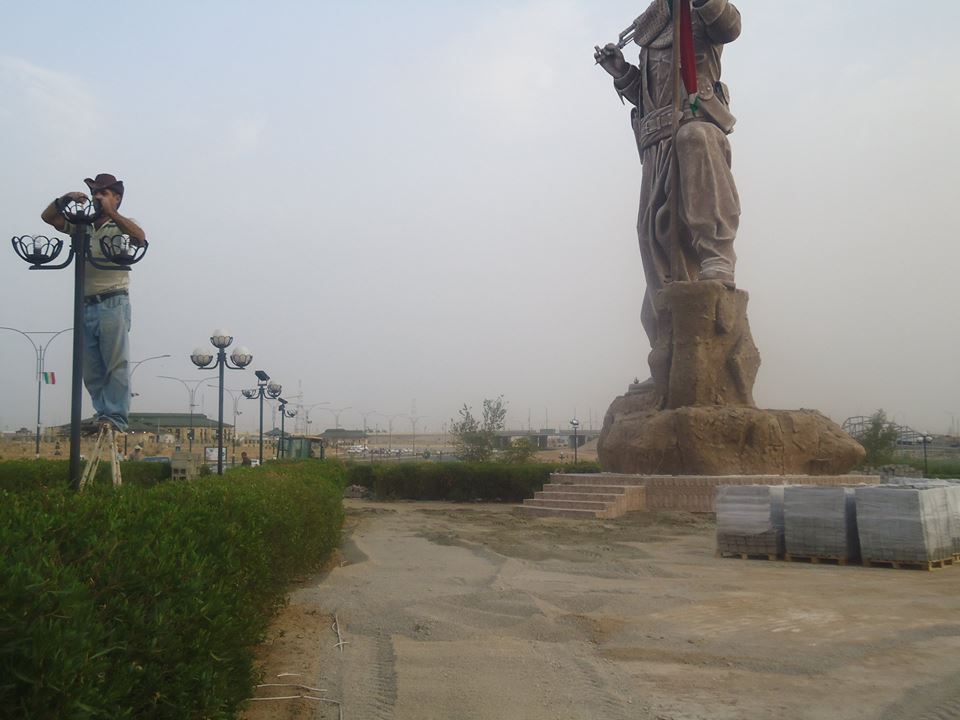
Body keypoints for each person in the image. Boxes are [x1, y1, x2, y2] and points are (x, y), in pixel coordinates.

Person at [596, 0, 741, 349]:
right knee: (655, 239)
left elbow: (729, 26)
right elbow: (650, 95)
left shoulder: (696, 11)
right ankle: (668, 347)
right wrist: (623, 74)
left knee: (697, 142)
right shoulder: (650, 27)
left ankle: (717, 258)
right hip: (655, 142)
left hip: (692, 122)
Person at [40, 173, 147, 432]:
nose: (97, 197)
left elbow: (140, 238)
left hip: (113, 300)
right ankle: (103, 415)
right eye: (95, 193)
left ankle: (116, 417)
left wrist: (113, 214)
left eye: (104, 193)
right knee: (91, 367)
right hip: (85, 303)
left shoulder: (122, 225)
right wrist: (65, 199)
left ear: (116, 198)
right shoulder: (83, 226)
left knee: (115, 363)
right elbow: (49, 217)